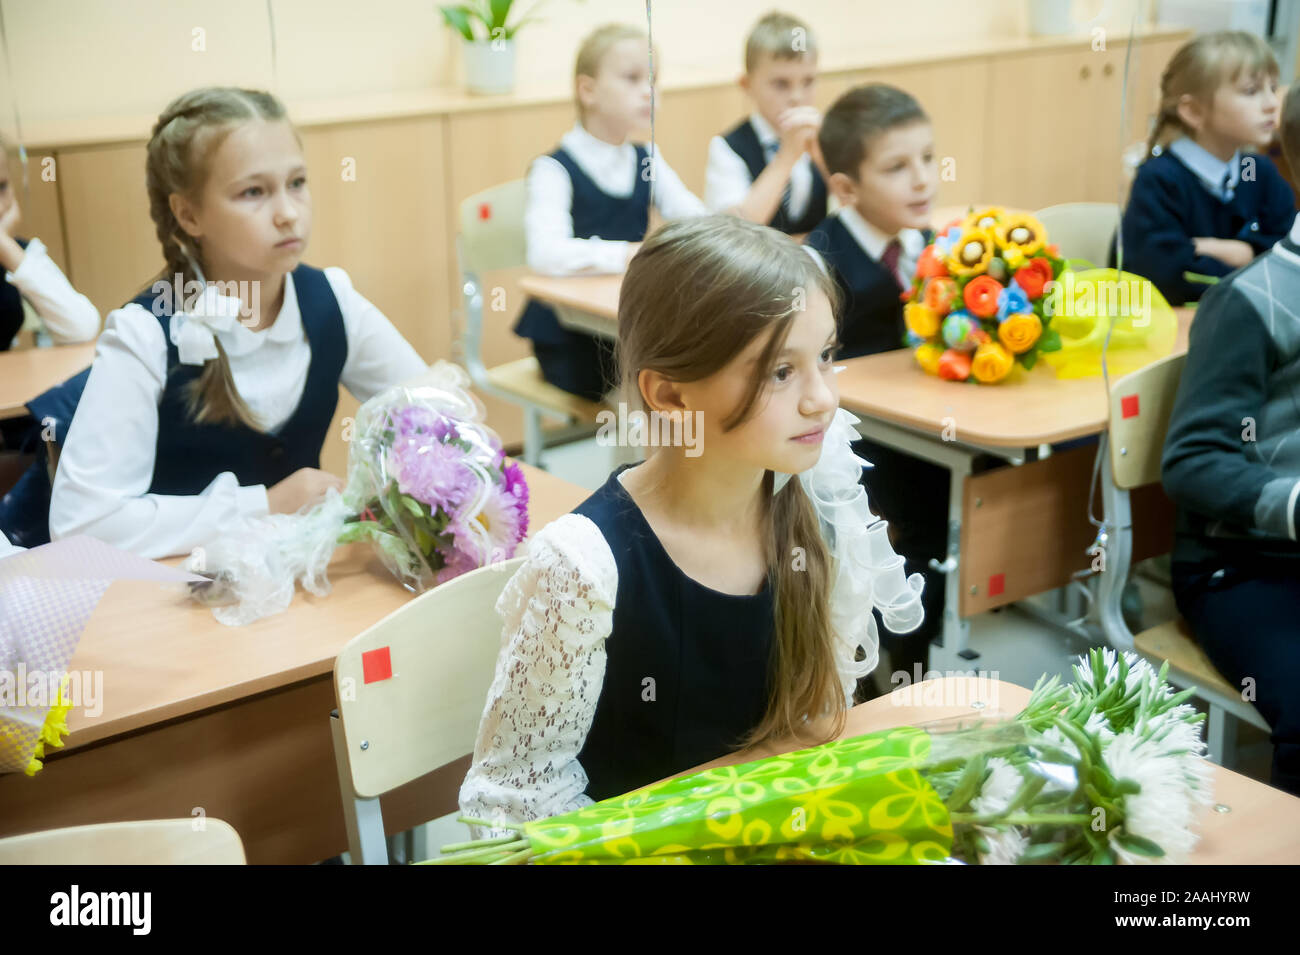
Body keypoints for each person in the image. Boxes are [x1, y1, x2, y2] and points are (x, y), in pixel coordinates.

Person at [460, 215, 924, 828]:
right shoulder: (583, 567)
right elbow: (508, 805)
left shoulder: (813, 503)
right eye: (781, 373)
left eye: (827, 356)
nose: (823, 398)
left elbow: (816, 730)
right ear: (672, 396)